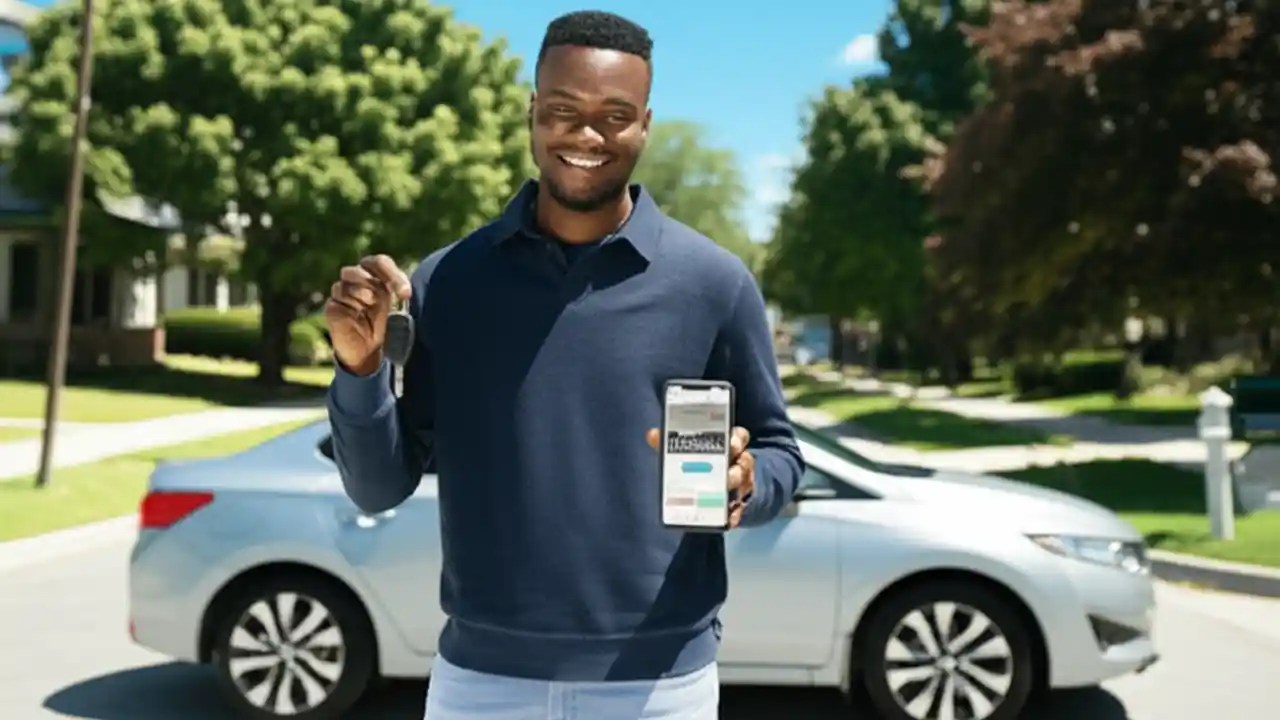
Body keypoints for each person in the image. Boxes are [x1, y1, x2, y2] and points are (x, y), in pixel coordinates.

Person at [323, 9, 804, 719]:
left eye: (613, 115)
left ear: (644, 124)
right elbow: (376, 487)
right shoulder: (448, 282)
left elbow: (782, 456)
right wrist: (360, 373)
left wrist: (746, 483)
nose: (585, 135)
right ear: (531, 114)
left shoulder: (714, 283)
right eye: (562, 111)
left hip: (659, 691)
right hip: (480, 687)